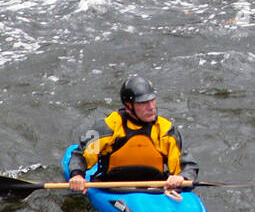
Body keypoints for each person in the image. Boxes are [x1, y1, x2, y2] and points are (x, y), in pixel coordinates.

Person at [66, 75, 198, 194]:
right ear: (128, 106)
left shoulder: (165, 130)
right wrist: (77, 175)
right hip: (113, 189)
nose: (151, 107)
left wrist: (182, 177)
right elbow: (80, 155)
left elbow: (187, 164)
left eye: (152, 100)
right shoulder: (107, 127)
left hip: (155, 190)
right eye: (143, 103)